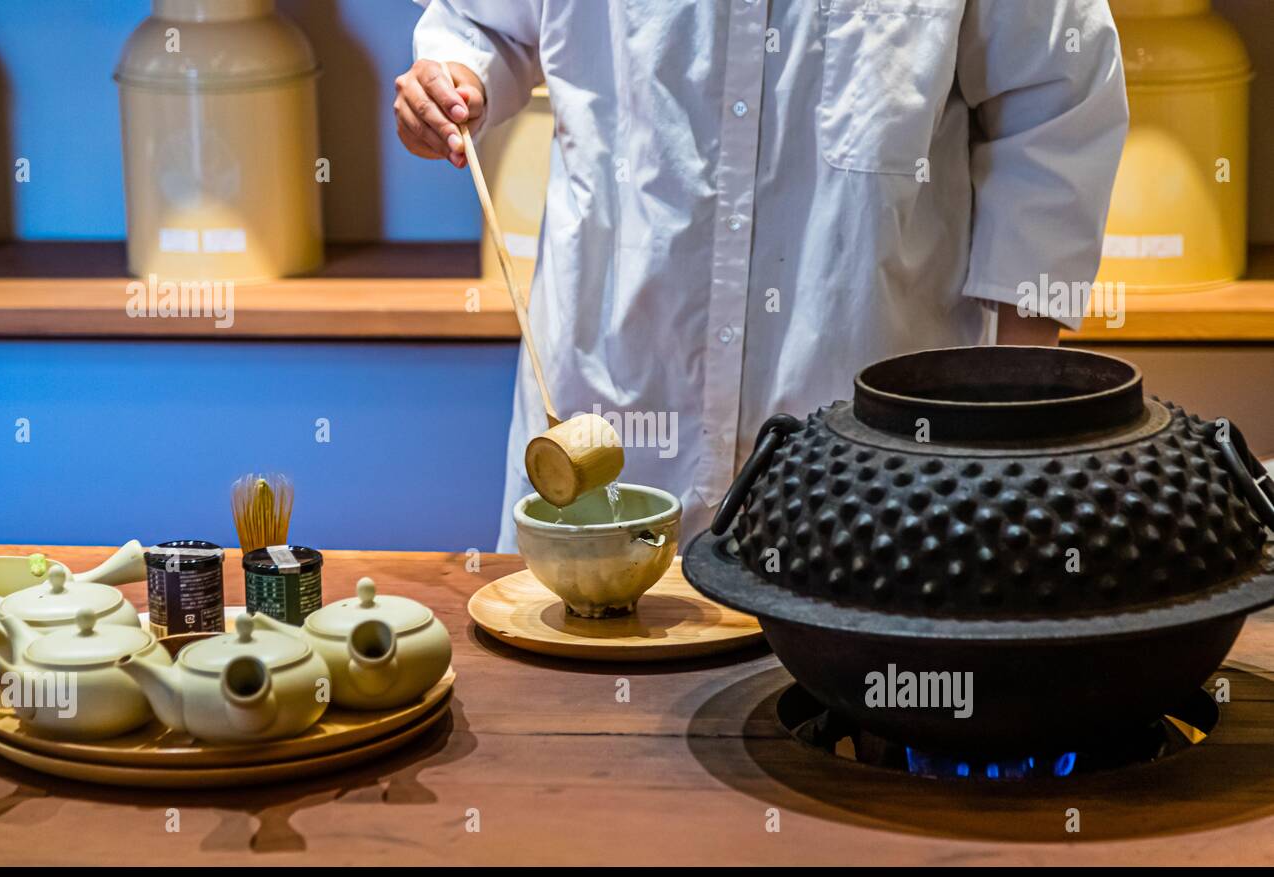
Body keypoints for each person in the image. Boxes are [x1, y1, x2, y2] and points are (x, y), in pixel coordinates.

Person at [395, 1, 1129, 551]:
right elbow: (483, 23)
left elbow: (1057, 107)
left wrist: (1017, 423)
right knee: (580, 731)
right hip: (614, 412)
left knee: (854, 724)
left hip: (871, 461)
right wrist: (457, 80)